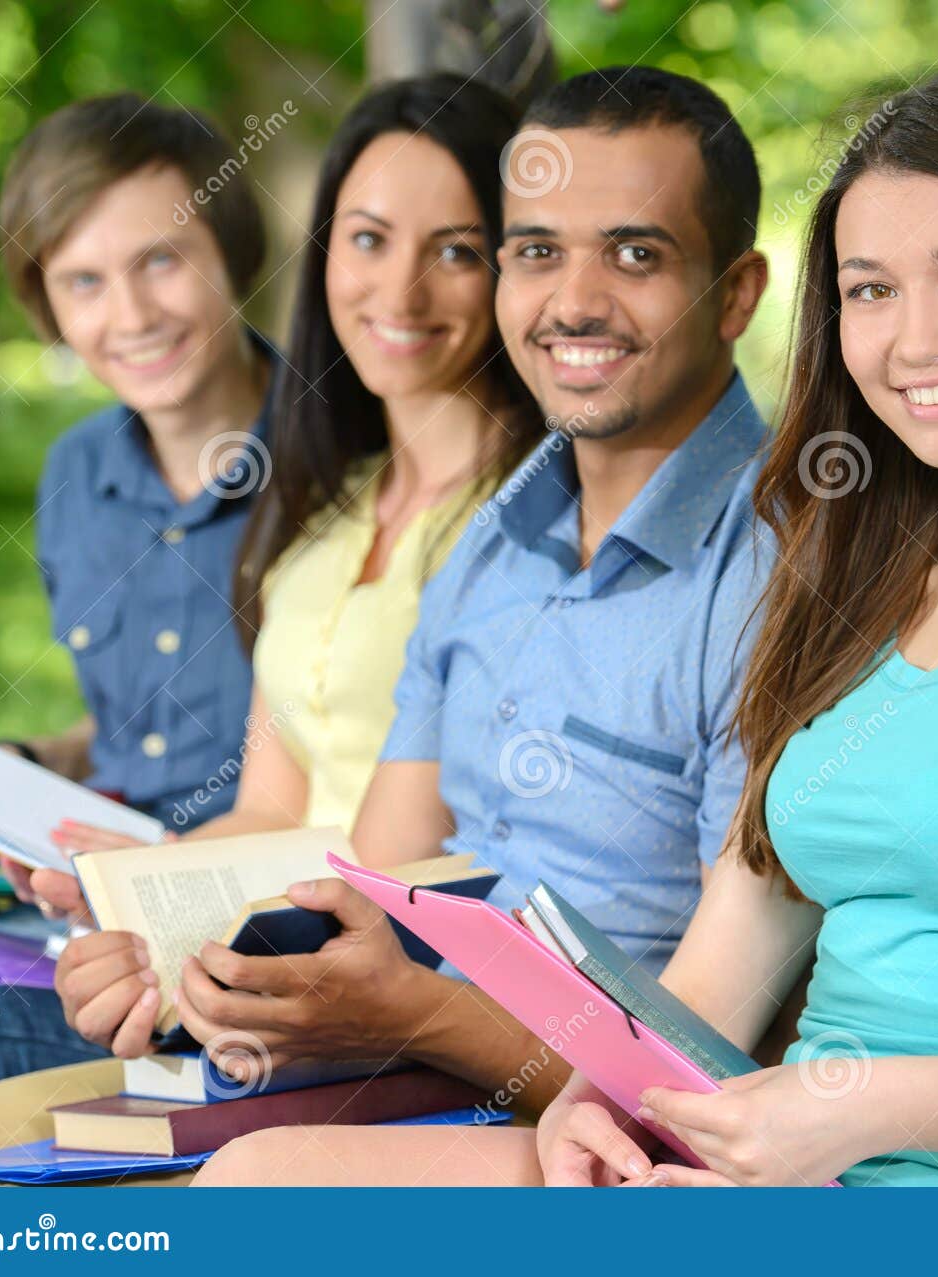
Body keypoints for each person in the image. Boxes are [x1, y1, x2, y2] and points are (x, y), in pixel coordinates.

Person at [210, 68, 938, 1187]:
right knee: (256, 1180)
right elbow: (710, 989)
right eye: (872, 291)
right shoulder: (857, 583)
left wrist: (855, 1107)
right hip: (769, 1175)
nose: (916, 337)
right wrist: (595, 1105)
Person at [187, 66, 772, 1181]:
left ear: (736, 294)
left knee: (246, 1190)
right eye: (538, 251)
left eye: (636, 254)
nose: (575, 301)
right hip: (428, 1072)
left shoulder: (779, 573)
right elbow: (383, 876)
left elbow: (719, 1056)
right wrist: (238, 969)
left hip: (625, 1134)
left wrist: (418, 1018)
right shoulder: (487, 546)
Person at [38, 75, 544, 1059]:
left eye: (455, 251)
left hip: (392, 994)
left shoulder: (523, 522)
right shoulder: (322, 510)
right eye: (367, 240)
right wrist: (132, 896)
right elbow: (268, 807)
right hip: (272, 953)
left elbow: (429, 868)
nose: (399, 293)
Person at [0, 93, 274, 1119]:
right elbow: (125, 726)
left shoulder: (332, 465)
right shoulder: (78, 472)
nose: (131, 316)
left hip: (219, 935)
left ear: (232, 252)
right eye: (84, 282)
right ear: (47, 306)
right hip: (73, 884)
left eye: (161, 260)